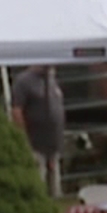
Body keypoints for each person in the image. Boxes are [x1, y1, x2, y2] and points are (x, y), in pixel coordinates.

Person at [10, 65, 65, 198]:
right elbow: (16, 111)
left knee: (55, 189)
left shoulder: (51, 79)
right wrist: (23, 139)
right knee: (38, 185)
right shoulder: (23, 82)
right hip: (35, 143)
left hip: (53, 144)